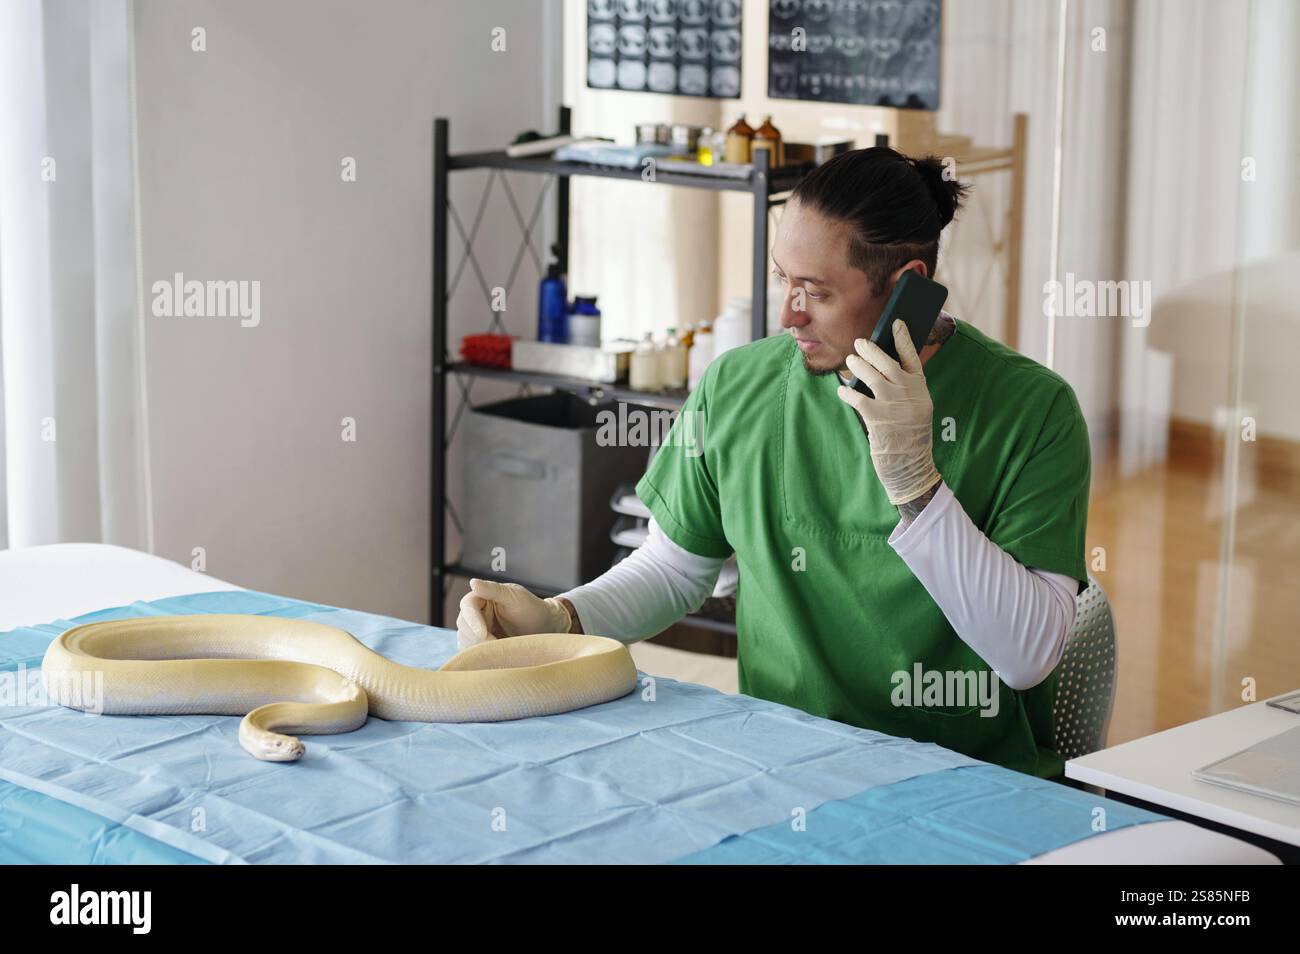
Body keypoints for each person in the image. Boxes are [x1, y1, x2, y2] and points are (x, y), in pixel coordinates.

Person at [458, 147, 1091, 779]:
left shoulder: (1033, 412)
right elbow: (676, 569)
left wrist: (916, 484)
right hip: (780, 768)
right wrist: (562, 620)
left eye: (814, 292)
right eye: (782, 278)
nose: (787, 312)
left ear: (906, 288)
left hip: (964, 782)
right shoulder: (738, 384)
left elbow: (1028, 653)